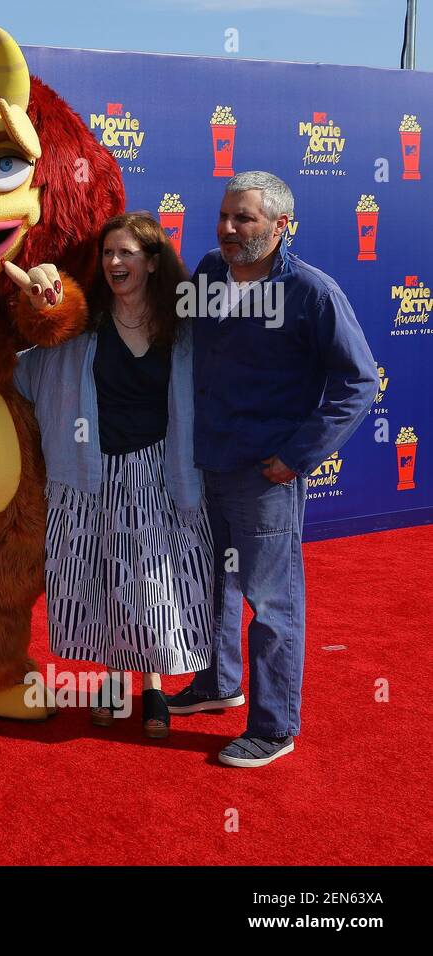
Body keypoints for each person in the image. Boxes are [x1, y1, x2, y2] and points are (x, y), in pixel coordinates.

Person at [168, 171, 378, 767]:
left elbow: (358, 382)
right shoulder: (209, 271)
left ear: (280, 226)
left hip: (265, 476)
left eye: (245, 219)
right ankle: (217, 683)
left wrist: (297, 455)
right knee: (212, 586)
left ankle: (274, 726)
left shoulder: (312, 293)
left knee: (271, 602)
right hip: (205, 463)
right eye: (226, 216)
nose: (229, 229)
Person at [15, 212, 212, 738]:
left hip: (157, 471)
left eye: (126, 253)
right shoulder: (88, 326)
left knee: (148, 582)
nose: (115, 262)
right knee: (102, 575)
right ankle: (108, 679)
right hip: (91, 471)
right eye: (107, 253)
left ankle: (151, 687)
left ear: (152, 261)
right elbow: (28, 366)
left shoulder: (183, 328)